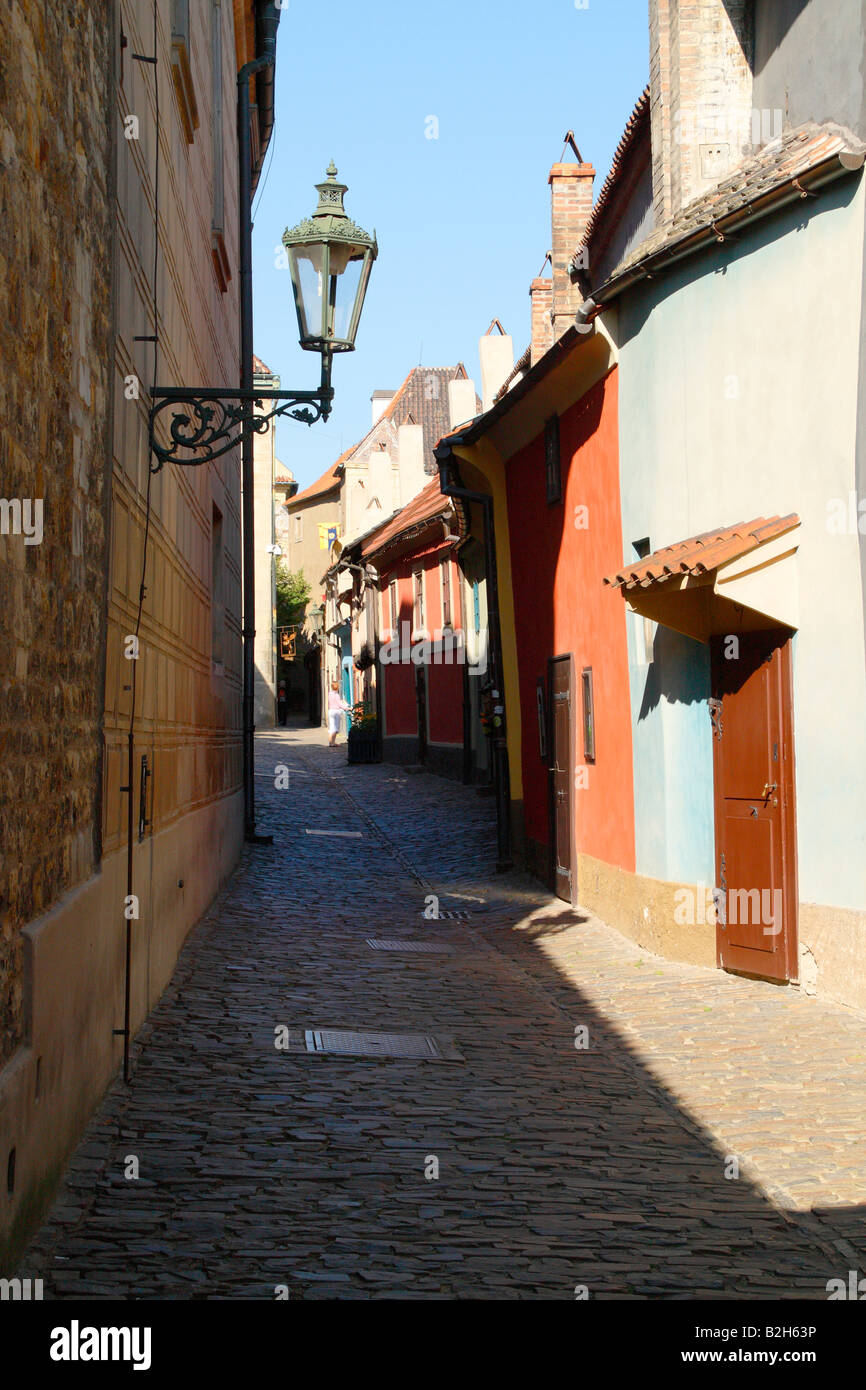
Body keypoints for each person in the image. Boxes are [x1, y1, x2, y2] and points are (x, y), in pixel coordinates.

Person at [327, 680, 350, 747]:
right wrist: (348, 708)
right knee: (335, 728)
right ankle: (332, 743)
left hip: (330, 711)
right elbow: (340, 704)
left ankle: (331, 742)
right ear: (337, 687)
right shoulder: (336, 695)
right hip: (336, 712)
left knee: (331, 728)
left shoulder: (330, 694)